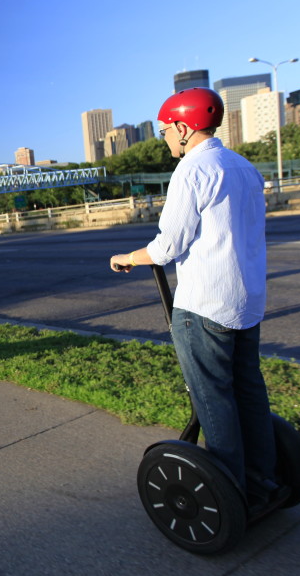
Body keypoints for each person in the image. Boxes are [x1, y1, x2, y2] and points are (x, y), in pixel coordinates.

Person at [108, 87, 281, 508]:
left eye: (167, 130)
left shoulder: (192, 170)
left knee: (213, 399)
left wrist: (129, 257)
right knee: (249, 392)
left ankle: (230, 494)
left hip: (204, 306)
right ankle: (263, 481)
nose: (166, 137)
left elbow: (168, 246)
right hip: (247, 300)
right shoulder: (243, 167)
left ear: (184, 128)